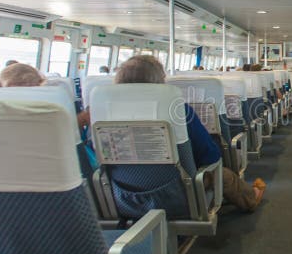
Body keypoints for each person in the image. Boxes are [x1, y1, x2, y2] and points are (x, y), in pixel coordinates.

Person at [114, 55, 265, 212]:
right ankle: (251, 197)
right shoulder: (178, 110)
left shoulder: (104, 114)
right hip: (177, 193)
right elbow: (210, 155)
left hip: (123, 197)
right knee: (223, 174)